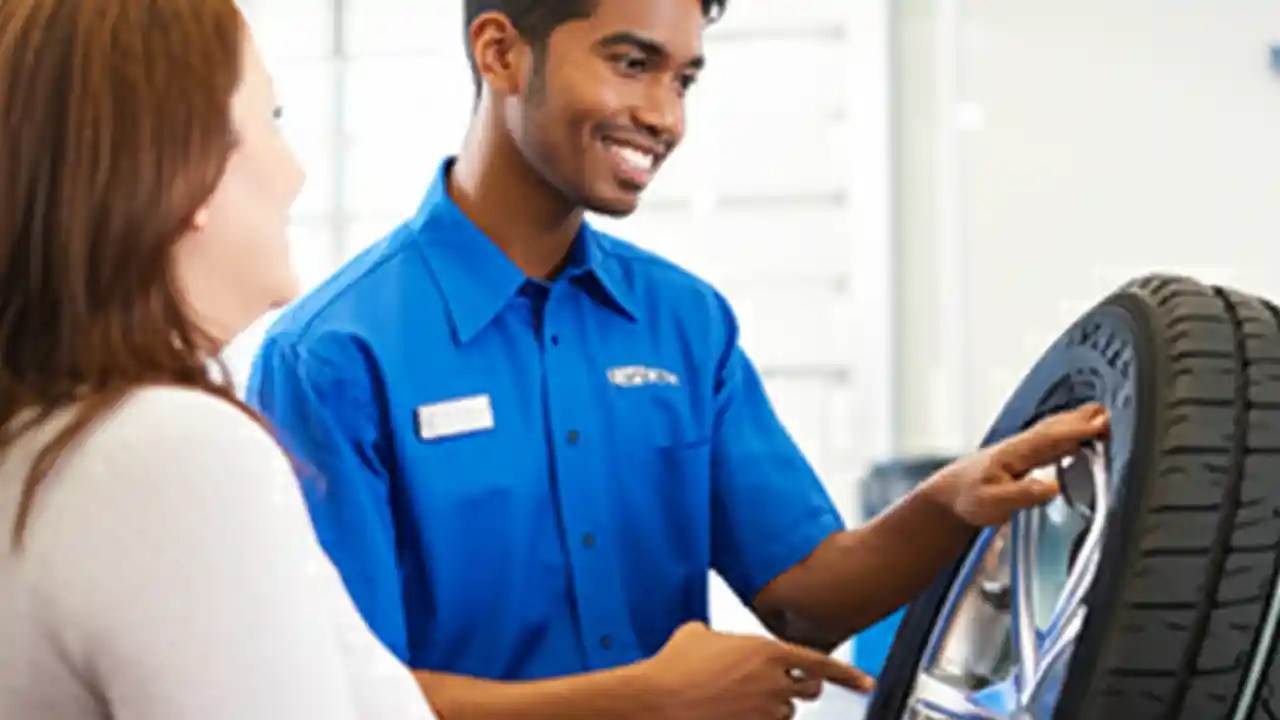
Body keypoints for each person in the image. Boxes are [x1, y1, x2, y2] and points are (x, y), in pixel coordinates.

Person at [247, 0, 1110, 718]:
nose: (665, 117)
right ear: (502, 53)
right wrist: (645, 700)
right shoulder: (332, 357)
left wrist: (949, 505)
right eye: (632, 64)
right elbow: (340, 700)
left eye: (683, 79)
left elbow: (805, 597)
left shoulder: (685, 323)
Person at [0, 1, 438, 718]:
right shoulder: (166, 451)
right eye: (272, 118)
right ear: (186, 163)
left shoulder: (50, 436)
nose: (295, 171)